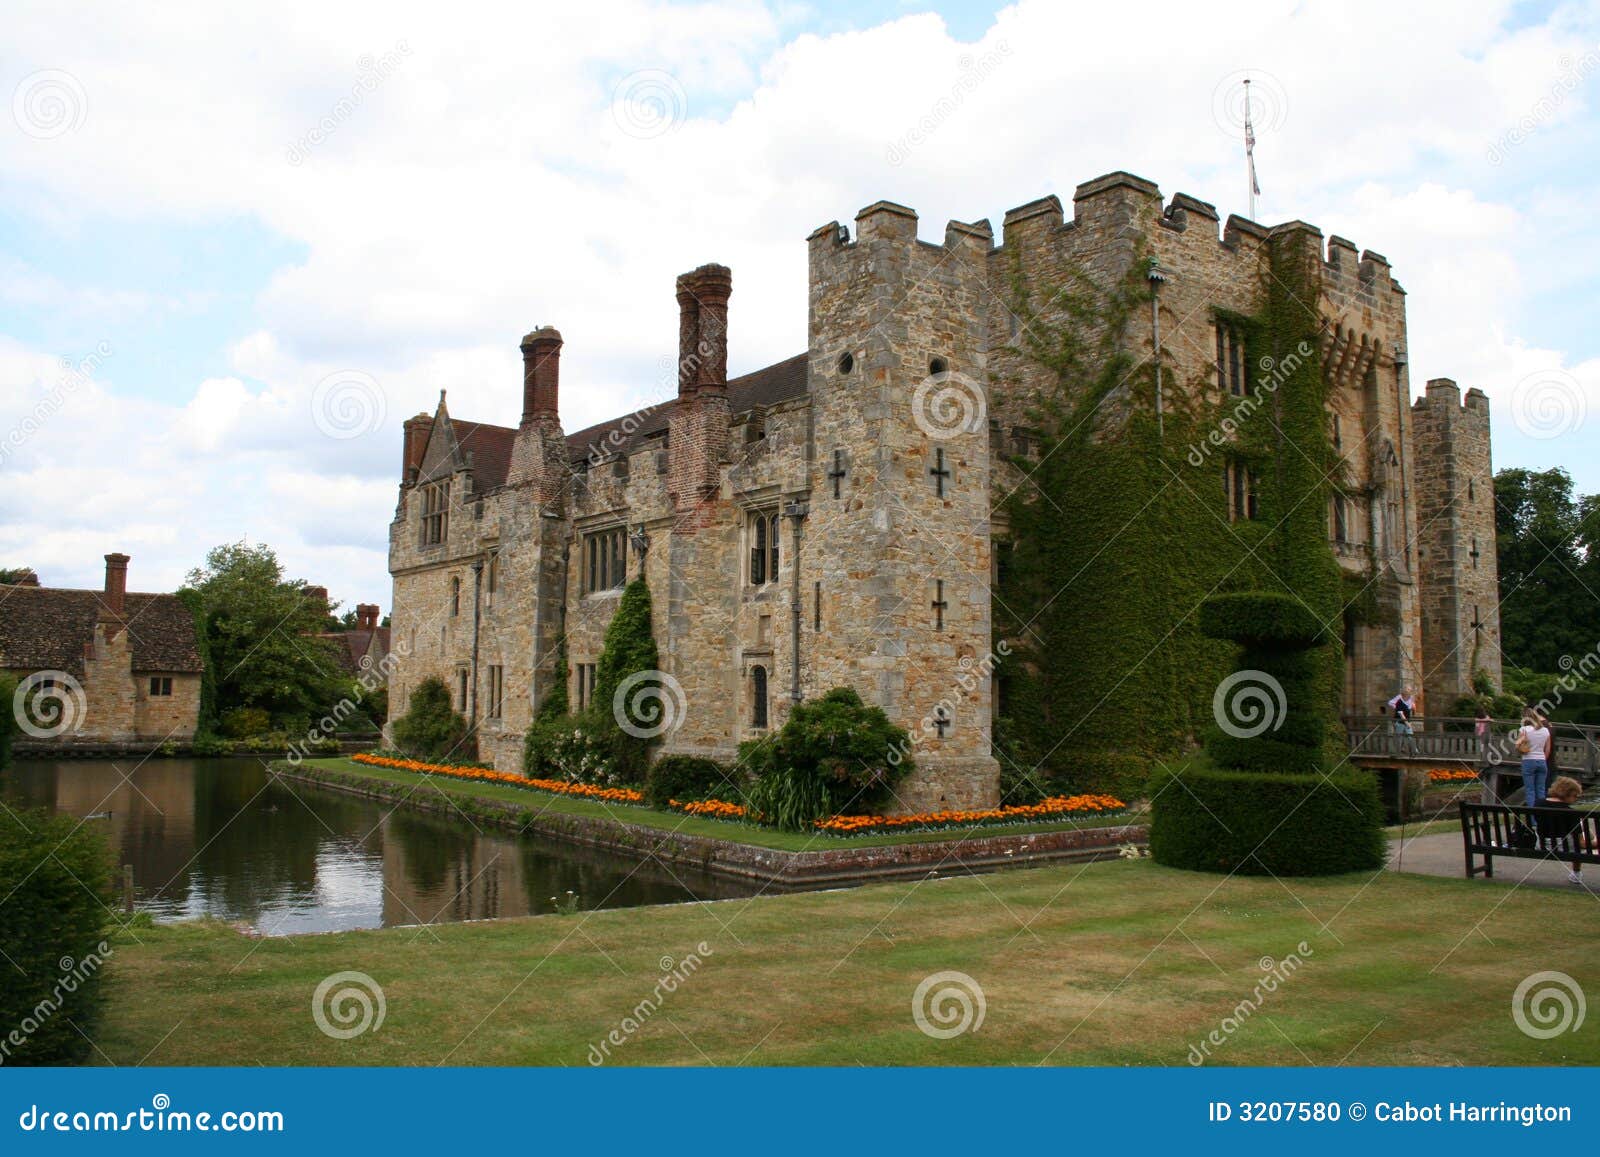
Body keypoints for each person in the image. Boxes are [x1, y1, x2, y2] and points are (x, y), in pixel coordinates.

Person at [1532, 776, 1589, 886]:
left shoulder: (1538, 803)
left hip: (1542, 844)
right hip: (1564, 846)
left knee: (1586, 835)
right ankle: (1576, 874)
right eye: (1575, 796)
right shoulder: (1571, 813)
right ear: (1567, 794)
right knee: (1582, 841)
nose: (1576, 799)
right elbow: (1580, 843)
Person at [1517, 711, 1553, 810]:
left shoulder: (1524, 730)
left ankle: (1533, 820)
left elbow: (1519, 747)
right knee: (1541, 790)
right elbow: (1548, 749)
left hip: (1528, 760)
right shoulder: (1545, 730)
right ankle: (1542, 816)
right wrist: (1542, 759)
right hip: (1541, 761)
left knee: (1530, 791)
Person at [1387, 687, 1418, 756]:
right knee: (1399, 737)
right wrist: (1407, 723)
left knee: (1410, 736)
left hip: (1407, 721)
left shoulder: (1410, 699)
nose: (1411, 695)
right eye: (1409, 692)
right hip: (1400, 722)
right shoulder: (1399, 701)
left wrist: (1413, 712)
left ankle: (1414, 750)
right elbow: (1401, 714)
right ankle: (1398, 752)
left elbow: (1412, 707)